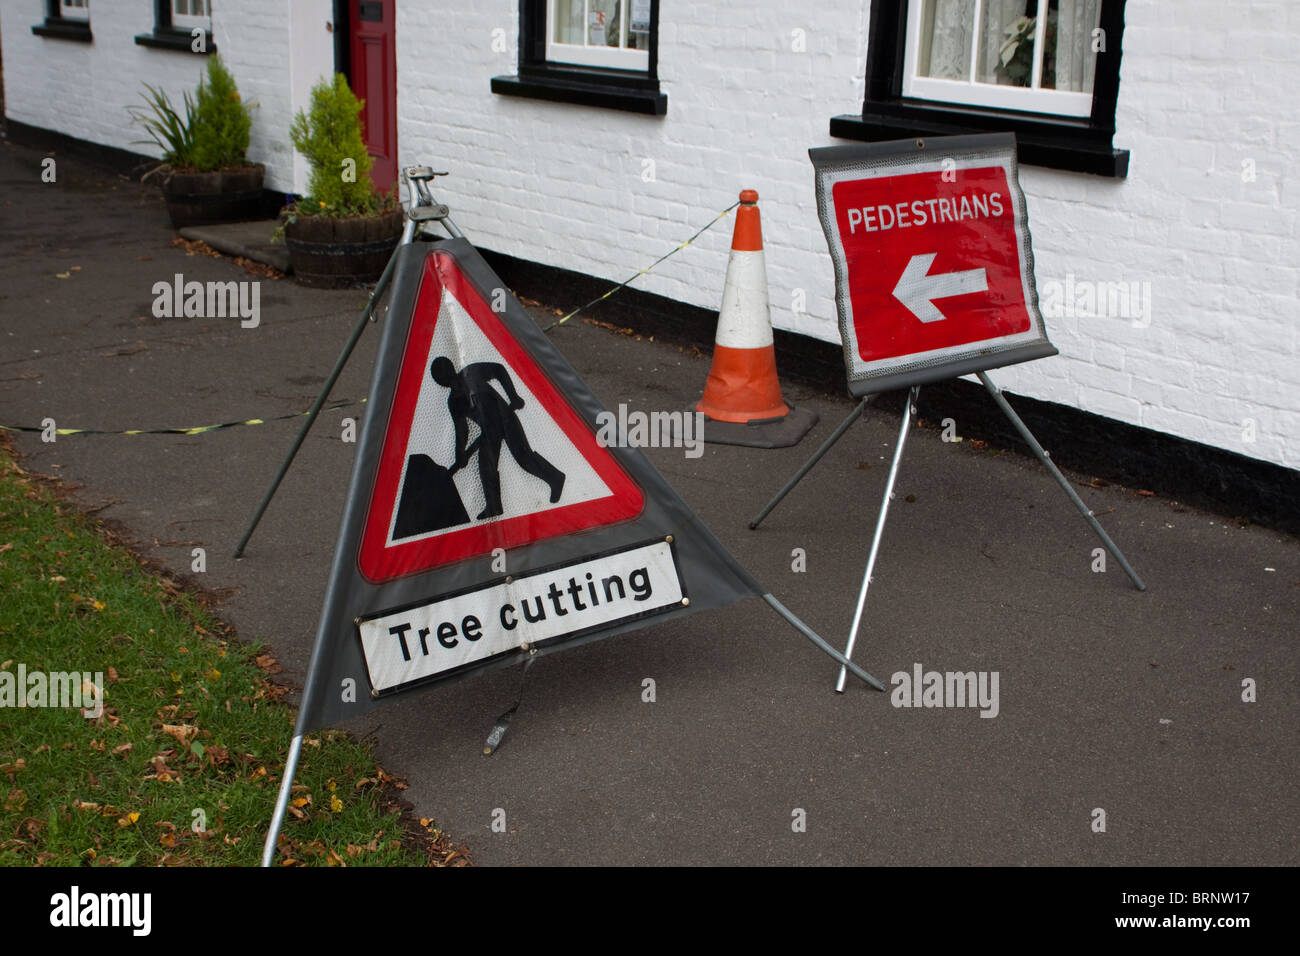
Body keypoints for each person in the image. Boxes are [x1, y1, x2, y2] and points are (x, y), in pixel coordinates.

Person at [430, 357, 565, 520]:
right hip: (488, 433)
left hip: (505, 418)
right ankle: (494, 506)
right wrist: (460, 455)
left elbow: (499, 369)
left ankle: (555, 477)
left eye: (447, 376)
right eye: (444, 379)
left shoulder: (471, 372)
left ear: (451, 370)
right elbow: (462, 430)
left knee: (524, 457)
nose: (449, 382)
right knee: (486, 467)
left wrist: (513, 396)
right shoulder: (454, 402)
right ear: (441, 383)